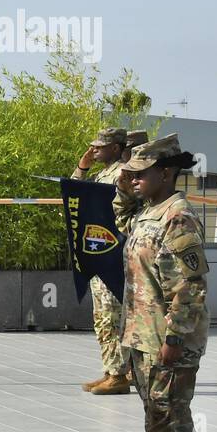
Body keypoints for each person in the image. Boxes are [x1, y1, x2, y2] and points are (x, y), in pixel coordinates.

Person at [118, 134, 207, 432]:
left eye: (142, 173)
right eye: (132, 173)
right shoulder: (148, 211)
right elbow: (120, 222)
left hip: (169, 339)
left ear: (167, 174)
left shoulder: (178, 216)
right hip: (144, 334)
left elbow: (190, 285)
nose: (134, 178)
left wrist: (175, 337)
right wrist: (123, 187)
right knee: (156, 415)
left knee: (171, 416)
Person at [73, 128, 133, 395]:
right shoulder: (102, 175)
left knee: (111, 316)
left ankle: (119, 375)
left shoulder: (125, 174)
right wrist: (82, 167)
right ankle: (111, 370)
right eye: (93, 145)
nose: (95, 149)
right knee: (102, 317)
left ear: (118, 148)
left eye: (101, 146)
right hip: (98, 250)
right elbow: (74, 193)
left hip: (114, 256)